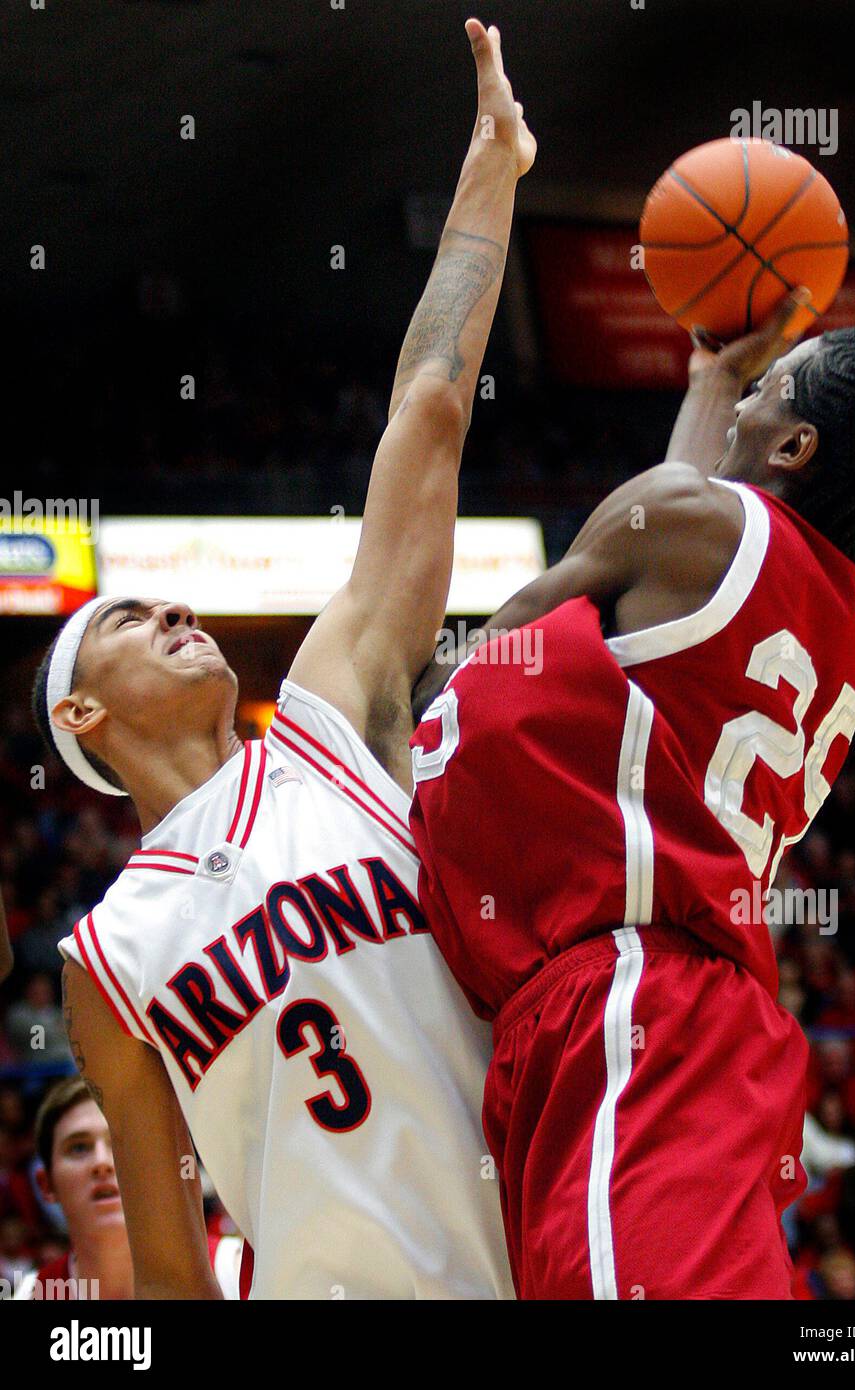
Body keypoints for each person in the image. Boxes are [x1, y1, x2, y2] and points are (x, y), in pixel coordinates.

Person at [38, 19, 534, 1298]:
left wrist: (489, 178)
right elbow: (166, 1259)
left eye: (174, 603)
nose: (174, 612)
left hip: (531, 1263)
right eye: (129, 616)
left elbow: (425, 422)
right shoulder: (108, 957)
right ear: (81, 710)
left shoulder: (325, 714)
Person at [409, 305, 855, 1299]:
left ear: (796, 443)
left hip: (628, 990)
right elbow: (679, 557)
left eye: (764, 390)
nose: (746, 400)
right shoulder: (853, 623)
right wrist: (712, 383)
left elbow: (488, 650)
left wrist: (369, 716)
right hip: (681, 996)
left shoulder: (689, 523)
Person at [13, 1076, 241, 1299]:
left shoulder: (234, 1270)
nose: (102, 1163)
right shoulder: (31, 1294)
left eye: (120, 1142)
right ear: (46, 1185)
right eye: (79, 1148)